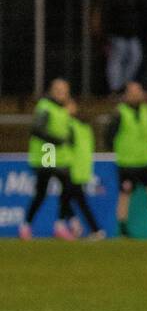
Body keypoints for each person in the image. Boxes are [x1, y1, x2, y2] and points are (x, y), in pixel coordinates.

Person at [108, 81, 147, 238]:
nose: (136, 95)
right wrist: (117, 151)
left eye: (138, 92)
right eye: (132, 93)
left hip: (145, 160)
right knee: (125, 194)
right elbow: (109, 135)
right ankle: (123, 230)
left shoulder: (146, 110)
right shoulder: (120, 112)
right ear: (127, 95)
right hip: (127, 162)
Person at [19, 78, 76, 240]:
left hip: (62, 155)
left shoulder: (64, 110)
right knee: (42, 192)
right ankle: (26, 225)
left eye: (64, 91)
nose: (61, 94)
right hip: (48, 152)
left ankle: (60, 224)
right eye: (58, 90)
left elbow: (67, 130)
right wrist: (56, 140)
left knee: (67, 188)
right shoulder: (45, 107)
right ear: (52, 91)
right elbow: (36, 129)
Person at [63, 100, 106, 240]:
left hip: (71, 168)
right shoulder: (84, 126)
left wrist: (48, 165)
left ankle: (88, 228)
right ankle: (90, 229)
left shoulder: (70, 126)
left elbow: (52, 144)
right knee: (74, 200)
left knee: (70, 200)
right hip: (78, 168)